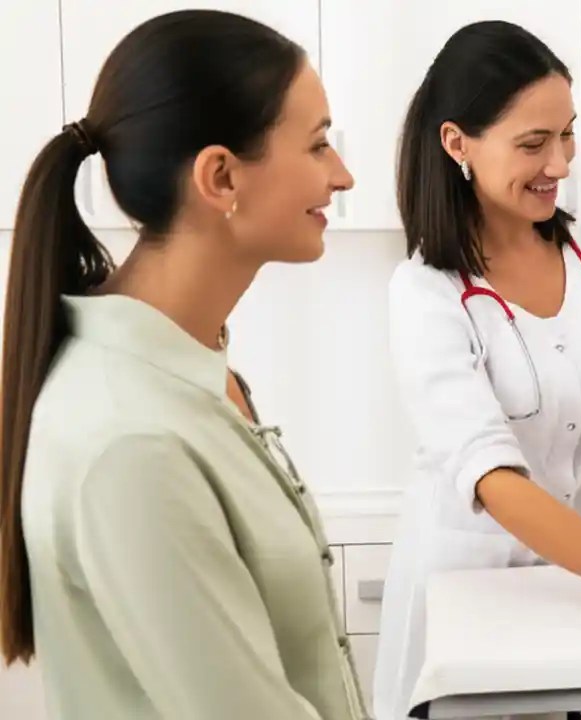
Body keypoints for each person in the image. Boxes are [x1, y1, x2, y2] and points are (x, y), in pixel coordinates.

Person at [0, 10, 363, 719]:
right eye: (319, 145)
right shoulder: (133, 442)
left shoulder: (190, 376)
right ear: (221, 176)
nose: (342, 175)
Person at [376, 20, 581, 720]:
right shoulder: (427, 291)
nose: (560, 163)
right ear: (457, 143)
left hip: (578, 591)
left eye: (567, 134)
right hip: (472, 600)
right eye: (533, 143)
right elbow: (490, 477)